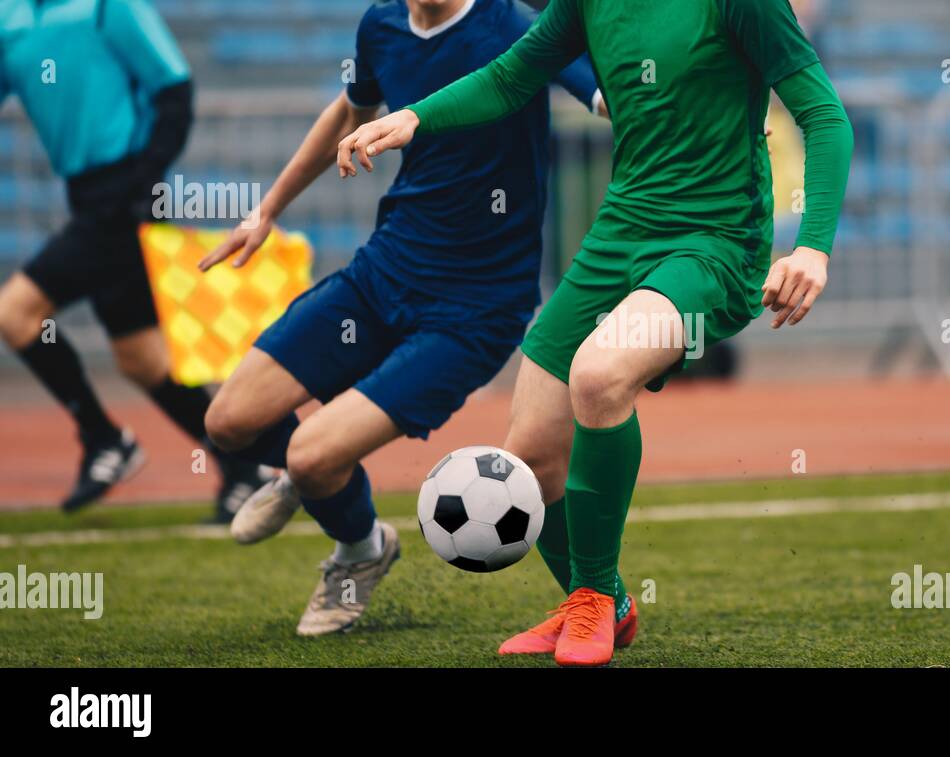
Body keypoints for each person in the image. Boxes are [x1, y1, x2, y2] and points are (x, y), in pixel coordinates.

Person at [337, 0, 853, 665]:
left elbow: (823, 113)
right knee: (530, 453)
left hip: (714, 242)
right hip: (619, 232)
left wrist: (813, 247)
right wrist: (412, 116)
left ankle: (587, 602)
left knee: (600, 376)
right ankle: (609, 600)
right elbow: (509, 76)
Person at [200, 0, 607, 636]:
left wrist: (705, 113)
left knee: (311, 455)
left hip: (474, 311)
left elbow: (606, 97)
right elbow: (351, 109)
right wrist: (268, 206)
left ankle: (356, 548)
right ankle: (314, 479)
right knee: (227, 421)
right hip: (383, 272)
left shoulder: (515, 25)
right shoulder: (381, 26)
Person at [0, 0, 268, 520]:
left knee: (15, 313)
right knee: (142, 360)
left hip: (123, 200)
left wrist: (142, 186)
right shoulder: (10, 17)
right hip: (84, 197)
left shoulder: (107, 6)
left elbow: (174, 90)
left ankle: (104, 438)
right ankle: (244, 466)